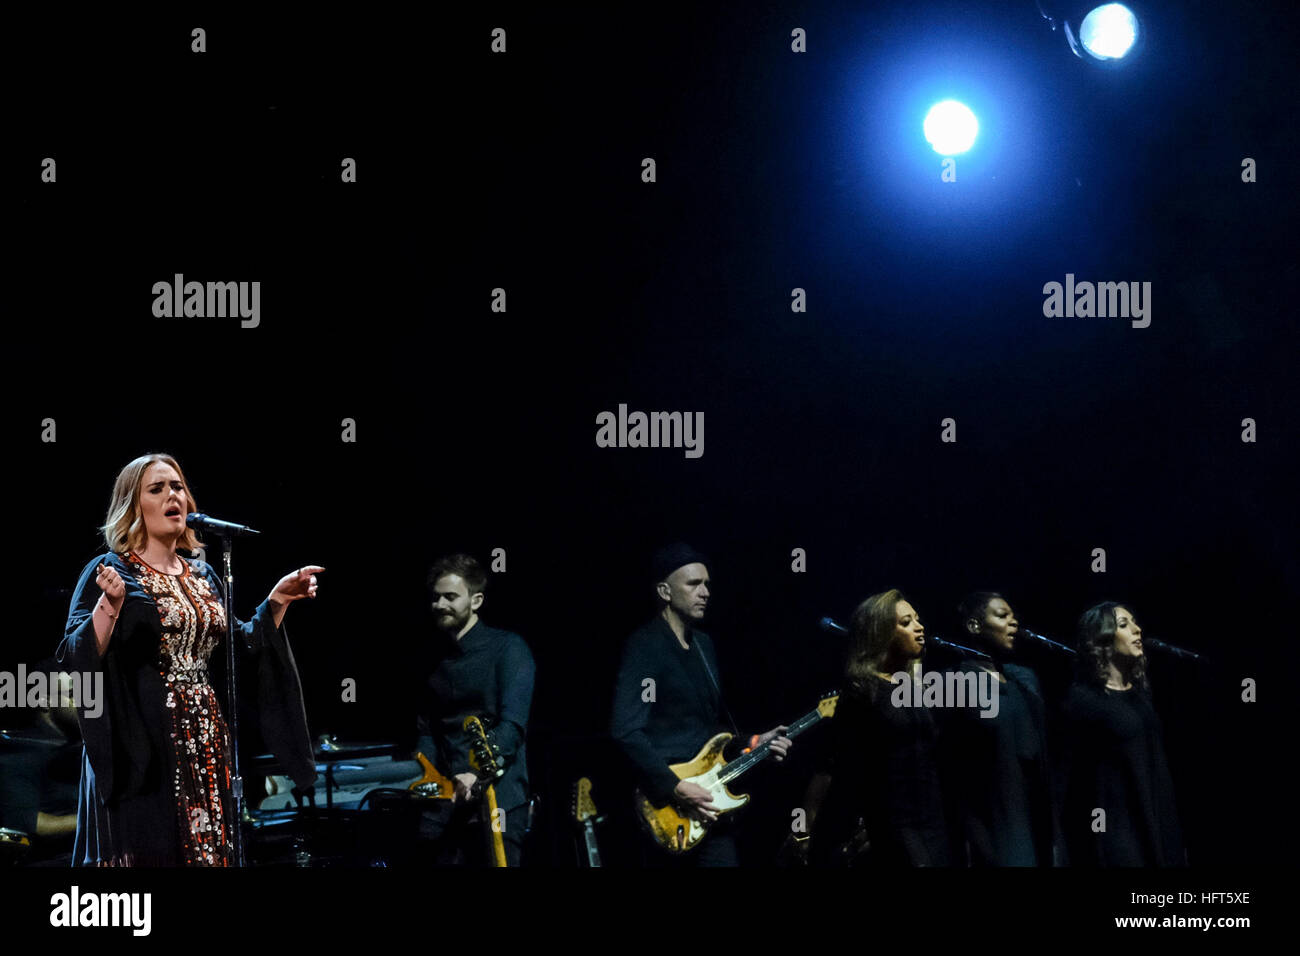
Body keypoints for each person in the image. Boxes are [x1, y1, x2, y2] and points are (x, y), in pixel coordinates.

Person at [57, 453, 321, 866]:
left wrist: (278, 599)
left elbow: (241, 647)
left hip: (203, 738)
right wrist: (109, 606)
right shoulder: (110, 569)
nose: (172, 495)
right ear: (132, 504)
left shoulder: (202, 575)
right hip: (141, 745)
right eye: (157, 488)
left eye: (177, 486)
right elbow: (76, 656)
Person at [609, 543, 791, 867]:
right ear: (665, 591)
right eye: (693, 584)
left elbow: (708, 730)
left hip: (709, 801)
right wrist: (675, 787)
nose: (705, 592)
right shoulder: (645, 646)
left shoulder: (703, 645)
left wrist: (752, 742)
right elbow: (625, 730)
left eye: (707, 584)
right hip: (668, 806)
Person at [809, 589, 950, 866]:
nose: (919, 627)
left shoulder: (912, 687)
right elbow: (845, 770)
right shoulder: (863, 692)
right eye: (906, 622)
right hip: (896, 827)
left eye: (918, 620)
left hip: (934, 823)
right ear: (881, 632)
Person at [416, 554, 534, 866]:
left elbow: (512, 725)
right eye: (436, 597)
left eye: (450, 597)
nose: (440, 604)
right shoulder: (433, 658)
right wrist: (427, 776)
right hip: (448, 802)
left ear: (476, 600)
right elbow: (429, 729)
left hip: (499, 794)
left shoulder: (509, 648)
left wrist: (475, 774)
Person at [1063, 602, 1183, 866]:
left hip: (1157, 820)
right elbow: (1078, 781)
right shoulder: (1085, 701)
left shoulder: (1140, 695)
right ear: (1103, 636)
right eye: (1124, 624)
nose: (1137, 630)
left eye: (1135, 622)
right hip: (1120, 833)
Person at [941, 592, 1057, 865]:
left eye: (1014, 616)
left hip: (1035, 818)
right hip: (993, 822)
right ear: (974, 626)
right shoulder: (955, 682)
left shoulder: (1024, 679)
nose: (1014, 623)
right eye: (1003, 616)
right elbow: (950, 767)